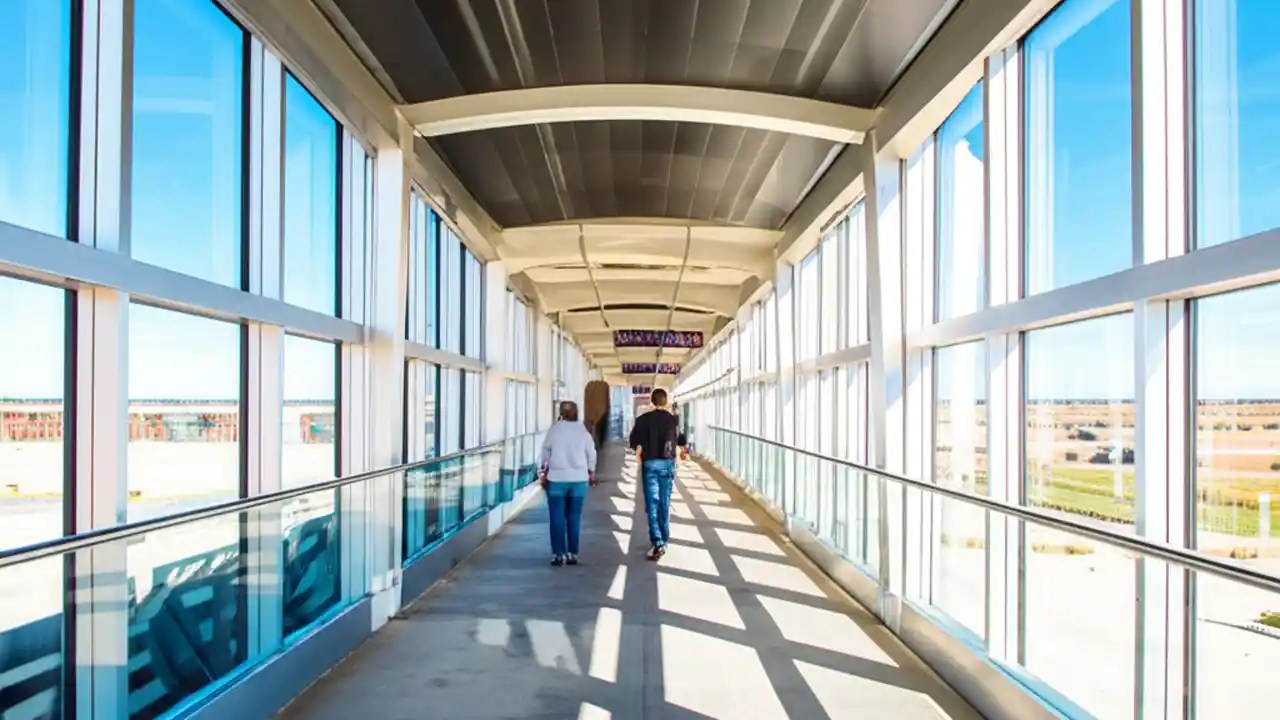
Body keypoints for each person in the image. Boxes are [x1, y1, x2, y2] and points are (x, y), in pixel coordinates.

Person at [629, 388, 687, 560]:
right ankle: (664, 538)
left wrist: (640, 453)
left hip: (650, 465)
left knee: (652, 505)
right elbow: (681, 441)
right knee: (664, 503)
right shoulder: (673, 420)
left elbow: (634, 443)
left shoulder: (642, 420)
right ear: (666, 401)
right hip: (667, 465)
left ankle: (658, 542)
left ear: (652, 402)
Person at [539, 401, 598, 566]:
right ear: (576, 412)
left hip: (556, 480)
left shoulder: (554, 430)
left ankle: (558, 554)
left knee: (556, 518)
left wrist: (543, 472)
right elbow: (591, 453)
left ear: (560, 413)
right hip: (579, 480)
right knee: (574, 517)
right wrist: (591, 470)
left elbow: (545, 453)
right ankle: (572, 553)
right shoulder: (582, 431)